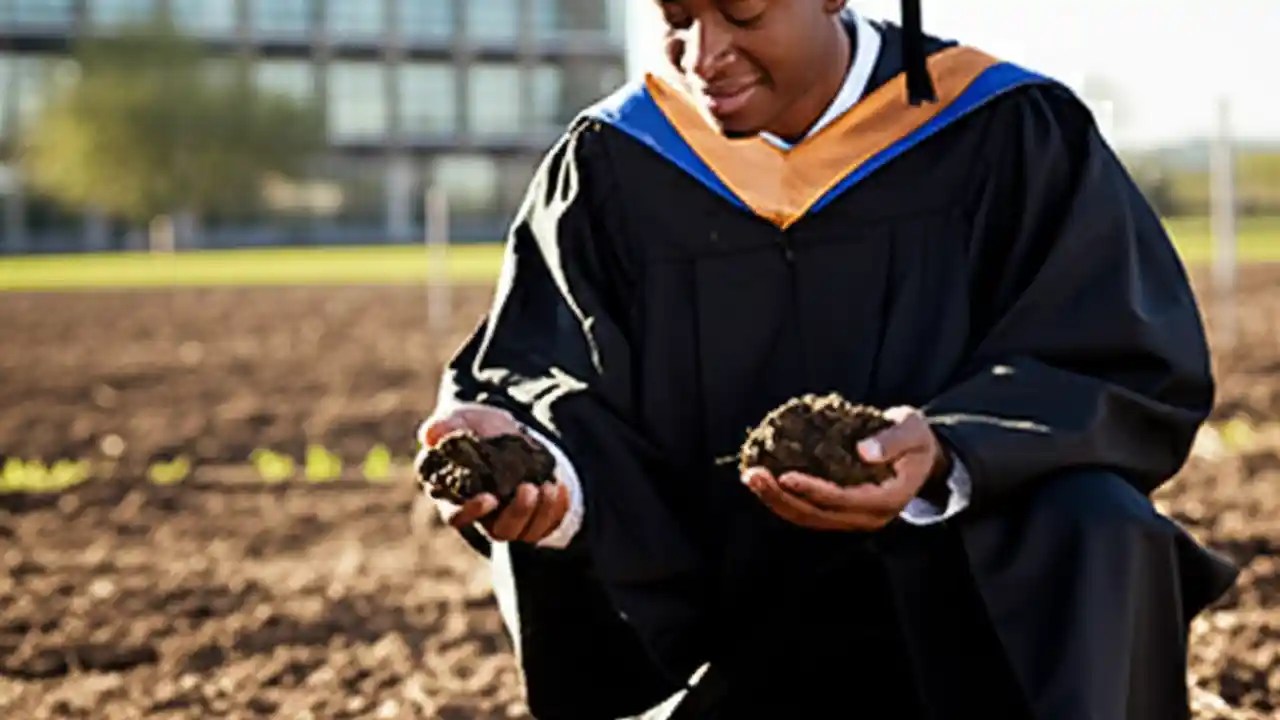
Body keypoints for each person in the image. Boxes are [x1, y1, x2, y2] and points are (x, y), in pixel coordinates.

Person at [418, 1, 1239, 717]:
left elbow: (1112, 353)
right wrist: (541, 467)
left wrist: (949, 451)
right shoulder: (612, 164)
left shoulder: (1005, 128)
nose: (704, 55)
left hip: (964, 597)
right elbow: (538, 369)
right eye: (675, 18)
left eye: (742, 15)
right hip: (720, 597)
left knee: (1094, 520)